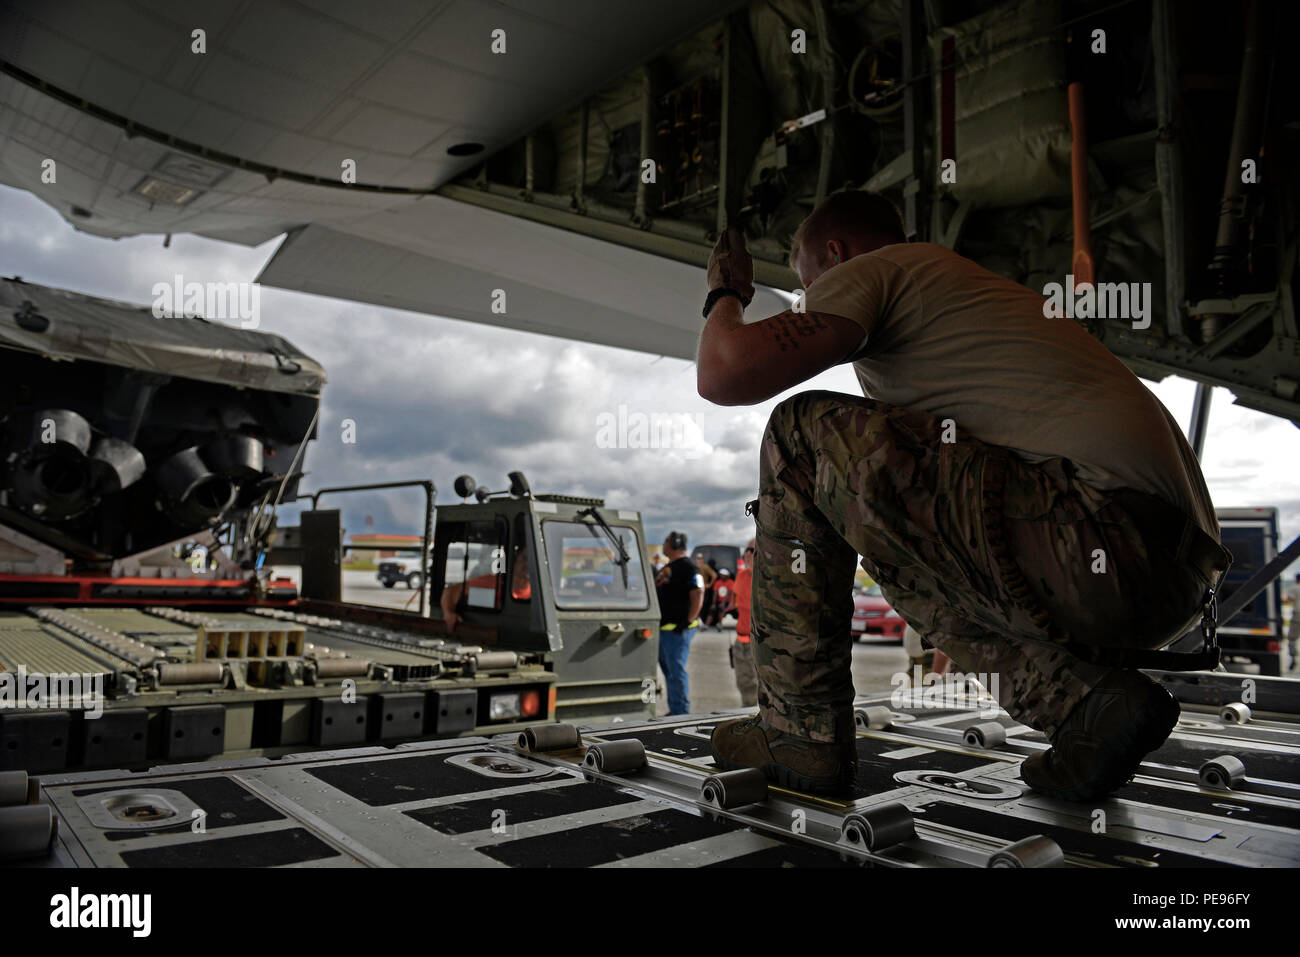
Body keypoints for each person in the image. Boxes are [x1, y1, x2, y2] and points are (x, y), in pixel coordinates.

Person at [696, 190, 1231, 798]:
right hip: (1161, 580)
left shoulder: (883, 269)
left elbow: (724, 372)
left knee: (801, 436)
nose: (807, 299)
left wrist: (727, 293)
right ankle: (1087, 710)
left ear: (836, 255)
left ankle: (797, 734)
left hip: (1096, 532)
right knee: (898, 546)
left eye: (806, 283)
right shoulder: (963, 303)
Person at [655, 531, 704, 714]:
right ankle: (674, 708)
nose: (663, 544)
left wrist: (688, 620)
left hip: (678, 631)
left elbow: (699, 593)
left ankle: (680, 712)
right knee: (669, 672)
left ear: (675, 543)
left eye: (666, 540)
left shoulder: (689, 567)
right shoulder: (670, 566)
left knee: (676, 670)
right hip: (666, 630)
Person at [730, 540, 758, 706]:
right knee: (744, 686)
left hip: (760, 646)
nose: (747, 554)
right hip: (741, 644)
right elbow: (735, 602)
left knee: (761, 689)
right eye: (746, 550)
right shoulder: (741, 577)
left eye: (751, 550)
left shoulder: (769, 581)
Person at [1286, 574, 1300, 671]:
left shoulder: (1295, 588)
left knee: (1292, 638)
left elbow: (1288, 600)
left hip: (1297, 616)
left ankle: (1293, 659)